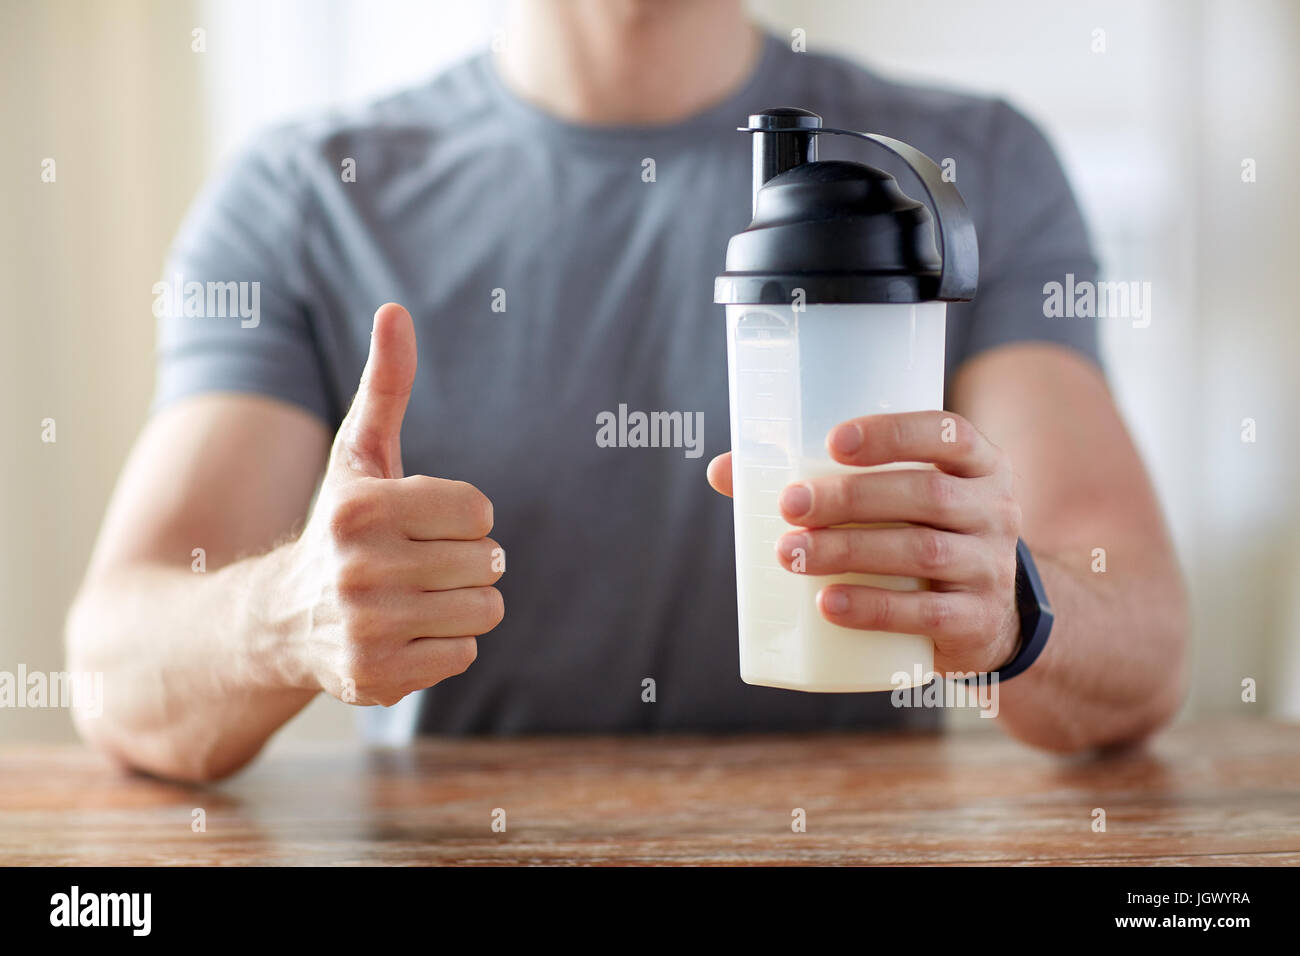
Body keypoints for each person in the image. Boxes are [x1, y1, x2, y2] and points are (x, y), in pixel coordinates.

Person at [66, 0, 1187, 782]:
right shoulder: (305, 197)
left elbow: (1140, 637)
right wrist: (285, 615)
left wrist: (1015, 607)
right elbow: (117, 670)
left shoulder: (958, 171)